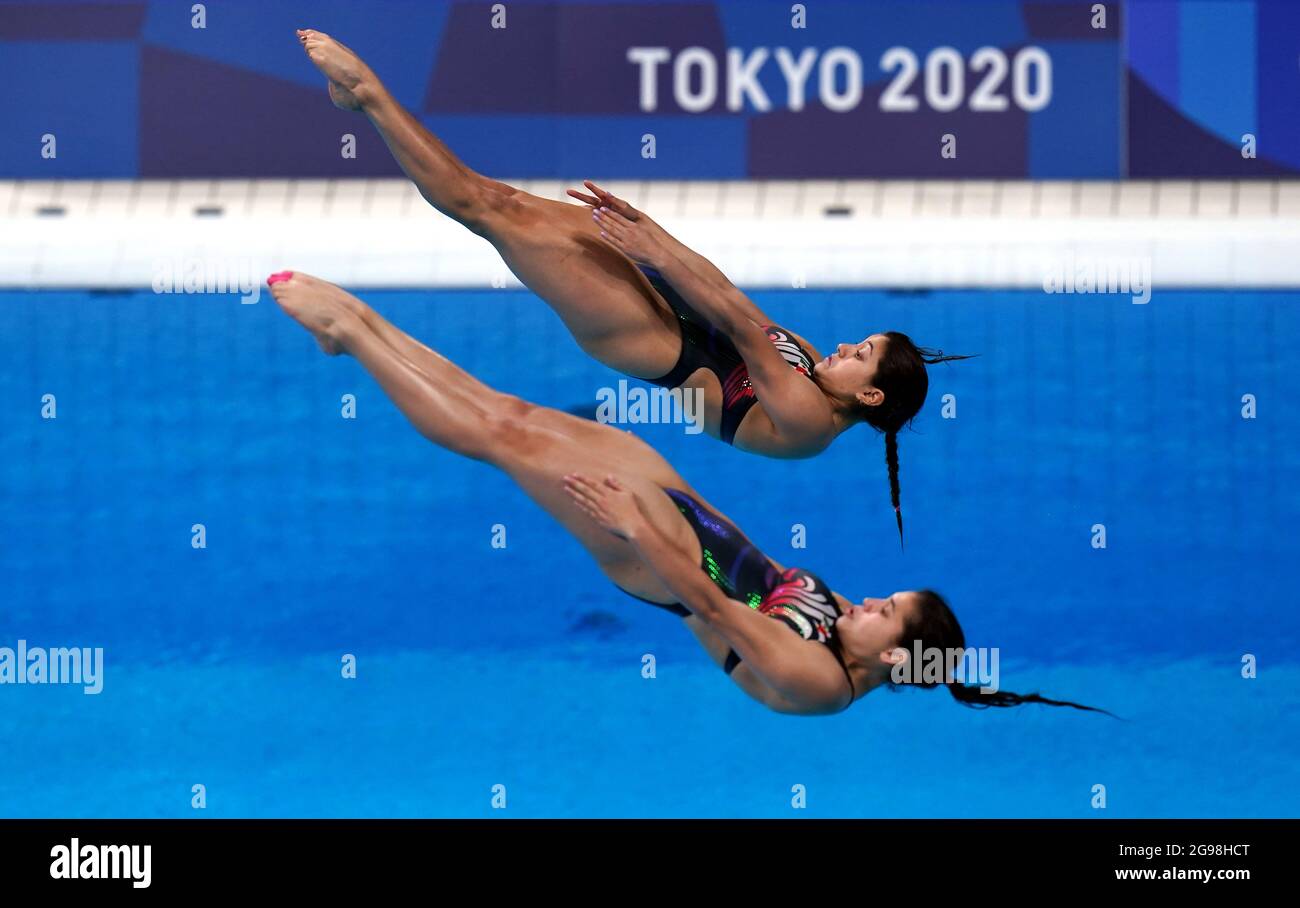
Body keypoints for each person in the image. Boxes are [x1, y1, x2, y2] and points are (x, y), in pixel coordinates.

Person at [266, 270, 1101, 717]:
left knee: (500, 439)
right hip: (681, 509)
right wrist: (674, 493)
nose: (872, 599)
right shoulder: (851, 626)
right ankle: (360, 327)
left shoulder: (821, 682)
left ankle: (352, 334)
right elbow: (768, 571)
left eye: (888, 611)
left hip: (657, 556)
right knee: (513, 415)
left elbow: (713, 605)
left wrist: (638, 525)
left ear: (892, 657)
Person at [294, 28, 972, 544]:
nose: (846, 347)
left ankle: (369, 94)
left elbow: (740, 328)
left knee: (485, 212)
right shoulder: (813, 362)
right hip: (675, 301)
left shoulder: (807, 423)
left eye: (861, 356)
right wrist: (650, 236)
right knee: (506, 200)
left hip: (647, 340)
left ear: (870, 395)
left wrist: (656, 258)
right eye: (859, 342)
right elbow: (730, 296)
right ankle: (362, 104)